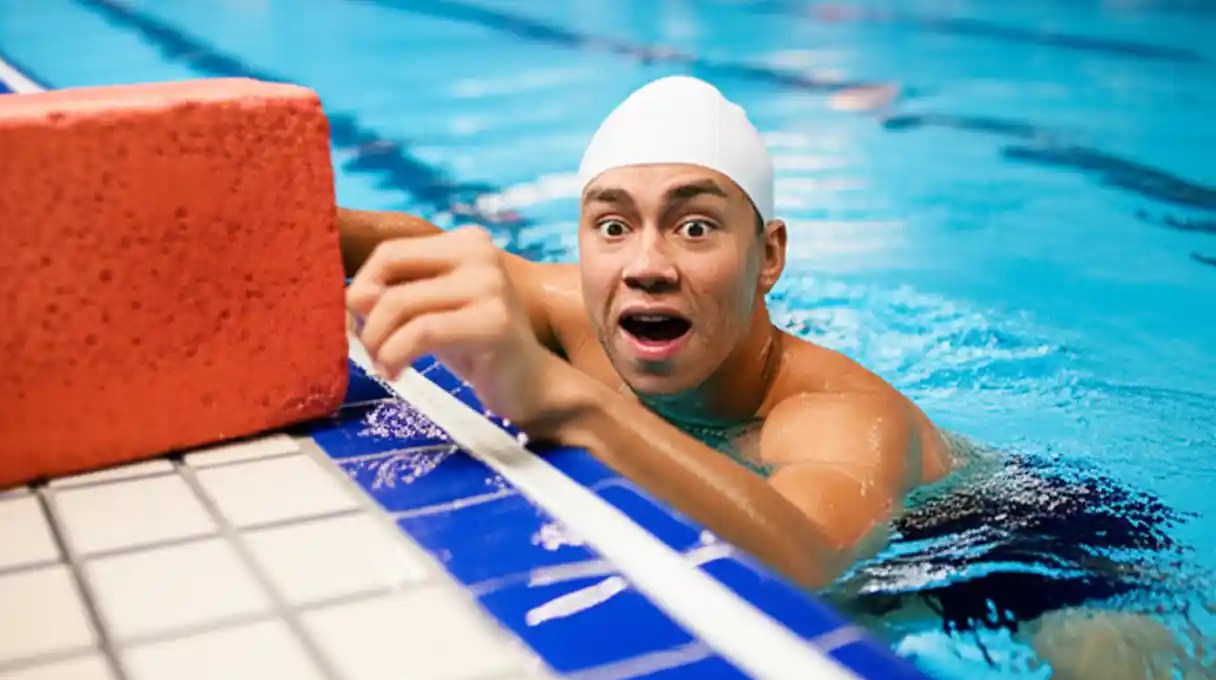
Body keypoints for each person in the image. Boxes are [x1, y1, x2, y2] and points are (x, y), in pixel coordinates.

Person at [340, 75, 954, 589]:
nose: (646, 267)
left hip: (1006, 560)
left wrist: (567, 403)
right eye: (612, 226)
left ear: (768, 257)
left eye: (694, 228)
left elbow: (817, 560)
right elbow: (430, 250)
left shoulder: (838, 412)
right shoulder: (581, 314)